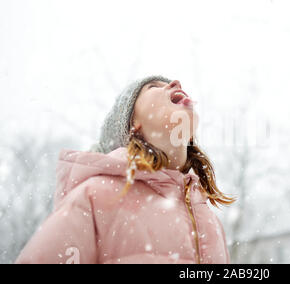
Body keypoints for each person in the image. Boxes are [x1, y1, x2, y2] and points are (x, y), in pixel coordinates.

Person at [15, 75, 236, 264]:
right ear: (132, 125)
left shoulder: (207, 215)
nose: (175, 83)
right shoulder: (95, 197)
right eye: (154, 86)